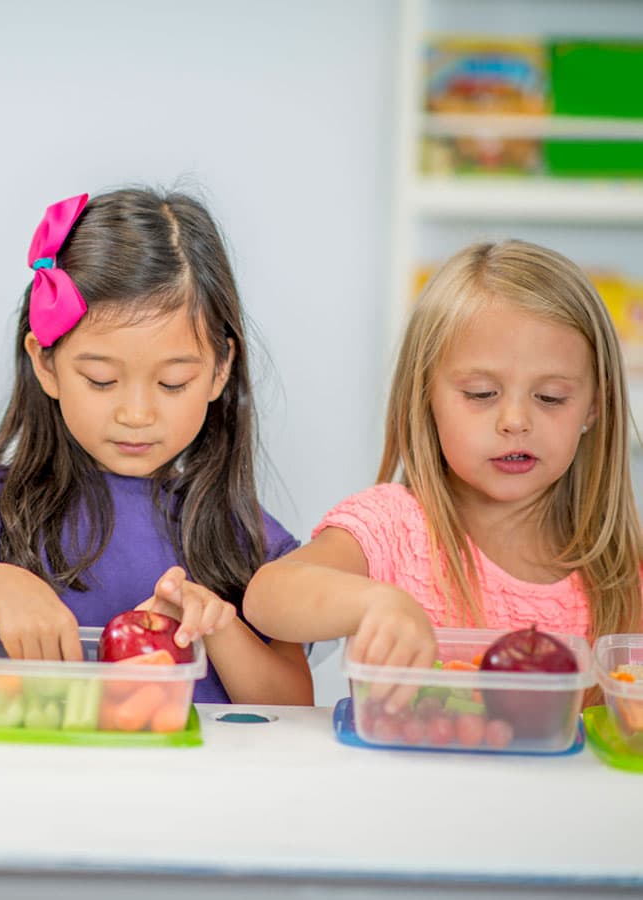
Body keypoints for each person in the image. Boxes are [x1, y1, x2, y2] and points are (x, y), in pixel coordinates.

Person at [0, 188, 312, 705]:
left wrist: (219, 627)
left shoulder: (244, 536)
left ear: (220, 369)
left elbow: (292, 705)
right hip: (38, 783)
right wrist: (0, 585)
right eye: (101, 380)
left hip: (189, 785)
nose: (136, 413)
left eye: (172, 383)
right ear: (46, 364)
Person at [243, 239, 643, 704]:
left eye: (551, 397)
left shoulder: (618, 574)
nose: (515, 420)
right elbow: (268, 595)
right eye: (480, 394)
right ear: (425, 397)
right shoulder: (393, 527)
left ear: (595, 405)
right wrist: (379, 604)